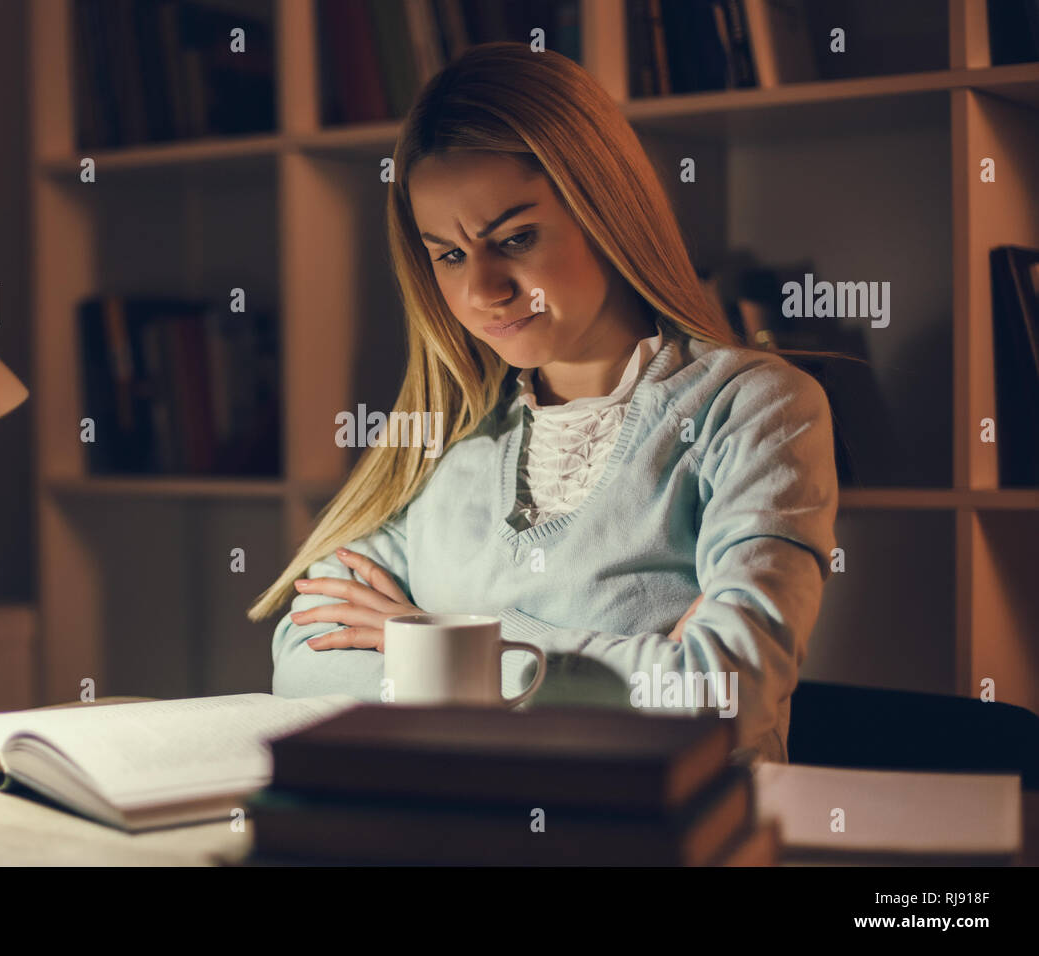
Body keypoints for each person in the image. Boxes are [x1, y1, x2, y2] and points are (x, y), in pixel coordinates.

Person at [246, 42, 839, 762]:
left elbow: (721, 695)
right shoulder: (447, 436)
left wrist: (434, 637)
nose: (481, 291)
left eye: (516, 238)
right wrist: (626, 662)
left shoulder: (755, 408)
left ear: (606, 211)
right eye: (450, 254)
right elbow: (305, 661)